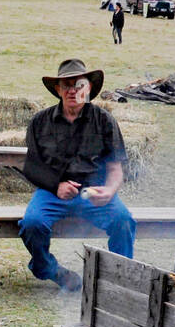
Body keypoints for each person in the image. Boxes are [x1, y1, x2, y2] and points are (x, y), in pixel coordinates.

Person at [19, 59, 136, 292]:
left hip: (93, 193)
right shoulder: (39, 122)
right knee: (32, 224)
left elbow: (115, 169)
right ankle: (49, 270)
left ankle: (118, 281)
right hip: (53, 194)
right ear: (58, 89)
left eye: (79, 85)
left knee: (123, 221)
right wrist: (57, 186)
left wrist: (110, 191)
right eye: (67, 85)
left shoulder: (104, 121)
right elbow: (32, 167)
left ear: (89, 89)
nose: (73, 90)